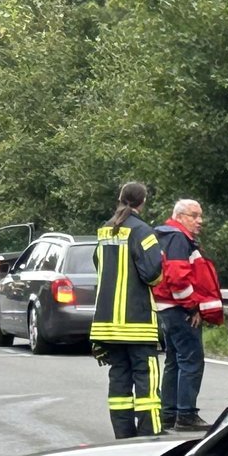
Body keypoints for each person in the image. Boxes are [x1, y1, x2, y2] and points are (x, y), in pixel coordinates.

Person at [91, 181, 165, 438]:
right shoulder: (143, 231)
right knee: (147, 379)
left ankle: (123, 436)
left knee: (119, 378)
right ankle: (150, 434)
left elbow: (98, 264)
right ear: (142, 202)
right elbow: (153, 273)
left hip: (107, 323)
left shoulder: (105, 230)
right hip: (137, 322)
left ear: (120, 199)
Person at [152, 199, 220, 433]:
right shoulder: (178, 238)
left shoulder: (166, 236)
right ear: (180, 216)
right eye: (194, 215)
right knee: (191, 360)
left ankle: (169, 413)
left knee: (174, 360)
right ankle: (186, 414)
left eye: (200, 215)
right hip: (179, 308)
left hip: (166, 307)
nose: (199, 220)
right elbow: (178, 278)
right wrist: (192, 307)